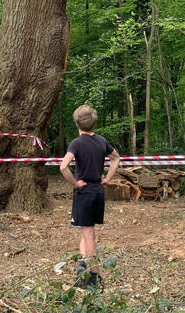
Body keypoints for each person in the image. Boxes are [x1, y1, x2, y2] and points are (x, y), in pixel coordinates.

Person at [59, 105, 121, 289]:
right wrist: (107, 178)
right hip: (98, 193)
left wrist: (75, 183)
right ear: (93, 122)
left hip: (84, 193)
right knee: (86, 230)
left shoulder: (76, 143)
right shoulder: (102, 141)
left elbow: (63, 167)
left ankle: (93, 276)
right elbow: (116, 158)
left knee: (89, 235)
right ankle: (83, 266)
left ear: (76, 122)